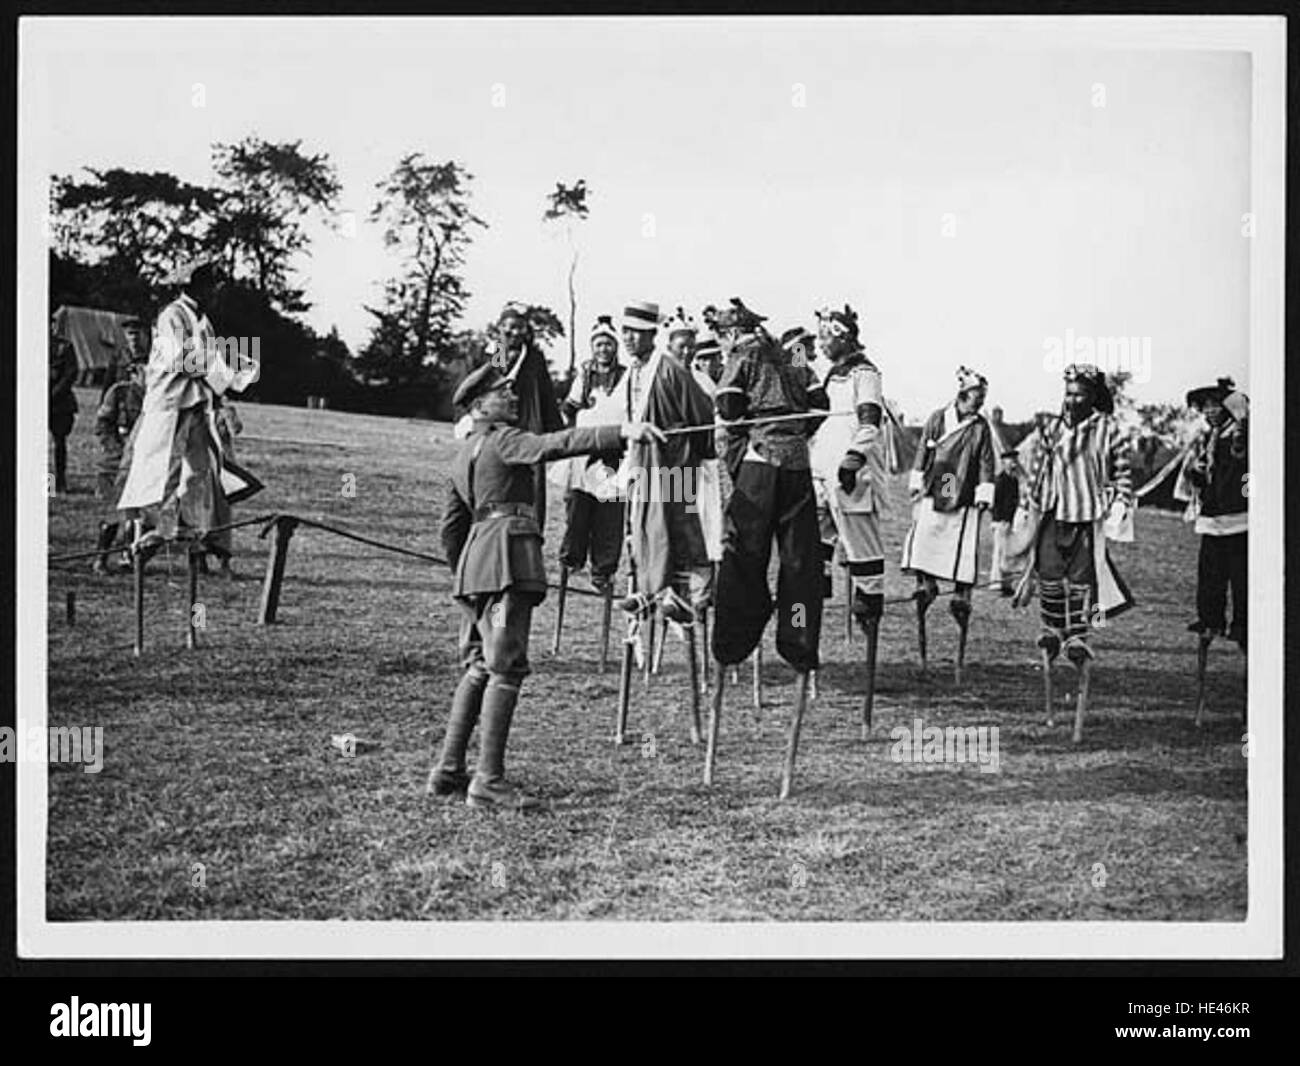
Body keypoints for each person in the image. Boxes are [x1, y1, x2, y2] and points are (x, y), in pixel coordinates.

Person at [433, 363, 663, 810]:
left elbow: (450, 530)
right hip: (506, 565)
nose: (514, 397)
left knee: (480, 664)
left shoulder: (463, 454)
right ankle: (488, 782)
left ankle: (448, 770)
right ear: (481, 405)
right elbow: (554, 445)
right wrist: (623, 432)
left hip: (476, 569)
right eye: (504, 392)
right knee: (506, 667)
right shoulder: (504, 438)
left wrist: (466, 573)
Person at [711, 300, 828, 672]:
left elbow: (729, 406)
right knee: (800, 560)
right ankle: (798, 639)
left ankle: (735, 638)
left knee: (744, 552)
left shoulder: (744, 353)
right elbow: (819, 403)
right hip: (797, 464)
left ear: (732, 332)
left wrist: (752, 431)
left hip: (760, 462)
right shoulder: (792, 354)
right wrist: (795, 433)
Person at [117, 256, 254, 562]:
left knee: (201, 472)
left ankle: (191, 535)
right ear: (198, 286)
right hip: (169, 405)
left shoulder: (204, 322)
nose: (215, 291)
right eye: (211, 285)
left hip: (195, 405)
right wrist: (228, 376)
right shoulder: (172, 316)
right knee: (160, 473)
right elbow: (184, 359)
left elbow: (210, 362)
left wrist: (226, 390)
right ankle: (142, 540)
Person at [1016, 363, 1134, 668]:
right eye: (1068, 394)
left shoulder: (1108, 429)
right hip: (1053, 512)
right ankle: (1053, 631)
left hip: (1086, 515)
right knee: (1050, 573)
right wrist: (1025, 505)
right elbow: (1037, 471)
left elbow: (1122, 472)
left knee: (1082, 578)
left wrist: (1120, 502)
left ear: (1092, 396)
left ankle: (1077, 636)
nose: (1071, 401)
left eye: (1079, 395)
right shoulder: (1051, 428)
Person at [616, 300, 717, 627]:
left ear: (652, 335)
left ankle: (687, 595)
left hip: (673, 460)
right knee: (644, 521)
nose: (630, 338)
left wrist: (689, 453)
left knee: (677, 524)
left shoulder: (669, 367)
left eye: (638, 333)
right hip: (643, 459)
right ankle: (649, 590)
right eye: (627, 332)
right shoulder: (634, 369)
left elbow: (701, 416)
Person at [900, 366, 998, 664]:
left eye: (981, 400)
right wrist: (916, 479)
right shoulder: (937, 418)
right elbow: (922, 452)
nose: (977, 405)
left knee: (963, 546)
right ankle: (925, 583)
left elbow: (985, 461)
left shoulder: (980, 427)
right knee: (925, 537)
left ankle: (961, 594)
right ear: (962, 395)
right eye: (974, 399)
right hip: (936, 486)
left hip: (964, 492)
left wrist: (985, 491)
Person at [808, 305, 888, 631]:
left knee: (859, 542)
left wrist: (854, 456)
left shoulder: (865, 373)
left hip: (848, 473)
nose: (821, 343)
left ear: (844, 338)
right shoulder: (829, 374)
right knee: (815, 537)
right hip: (822, 471)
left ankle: (869, 602)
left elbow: (871, 421)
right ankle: (813, 594)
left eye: (826, 337)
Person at [554, 315, 627, 591]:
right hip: (585, 451)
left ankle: (603, 570)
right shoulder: (584, 374)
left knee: (609, 515)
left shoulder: (626, 375)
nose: (603, 349)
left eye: (608, 344)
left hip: (613, 452)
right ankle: (571, 560)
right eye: (598, 344)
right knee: (578, 509)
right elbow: (569, 408)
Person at [1176, 377, 1248, 651]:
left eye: (1215, 406)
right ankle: (1210, 619)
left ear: (1227, 408)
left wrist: (1246, 496)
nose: (1209, 412)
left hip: (1240, 518)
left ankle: (1241, 625)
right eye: (1205, 407)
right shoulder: (1208, 438)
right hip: (1212, 518)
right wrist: (1199, 477)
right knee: (1210, 574)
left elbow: (1249, 476)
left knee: (1240, 577)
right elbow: (1205, 476)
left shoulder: (1242, 436)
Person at [91, 322, 147, 573]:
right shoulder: (119, 392)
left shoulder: (156, 401)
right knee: (112, 514)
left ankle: (129, 557)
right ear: (133, 372)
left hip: (141, 463)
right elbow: (103, 425)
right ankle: (101, 559)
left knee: (138, 516)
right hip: (115, 463)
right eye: (143, 371)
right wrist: (116, 450)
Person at [49, 314, 79, 496]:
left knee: (59, 443)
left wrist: (53, 394)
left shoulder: (64, 347)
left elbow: (71, 373)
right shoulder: (27, 343)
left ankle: (60, 481)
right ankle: (48, 485)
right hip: (35, 400)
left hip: (60, 403)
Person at [988, 449, 1022, 595]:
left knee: (1008, 554)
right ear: (1003, 462)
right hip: (1002, 521)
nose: (1013, 463)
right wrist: (998, 520)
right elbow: (994, 503)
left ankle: (1006, 584)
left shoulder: (1014, 480)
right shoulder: (1000, 480)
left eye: (1014, 460)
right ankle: (997, 583)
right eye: (1010, 460)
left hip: (1010, 521)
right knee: (1000, 552)